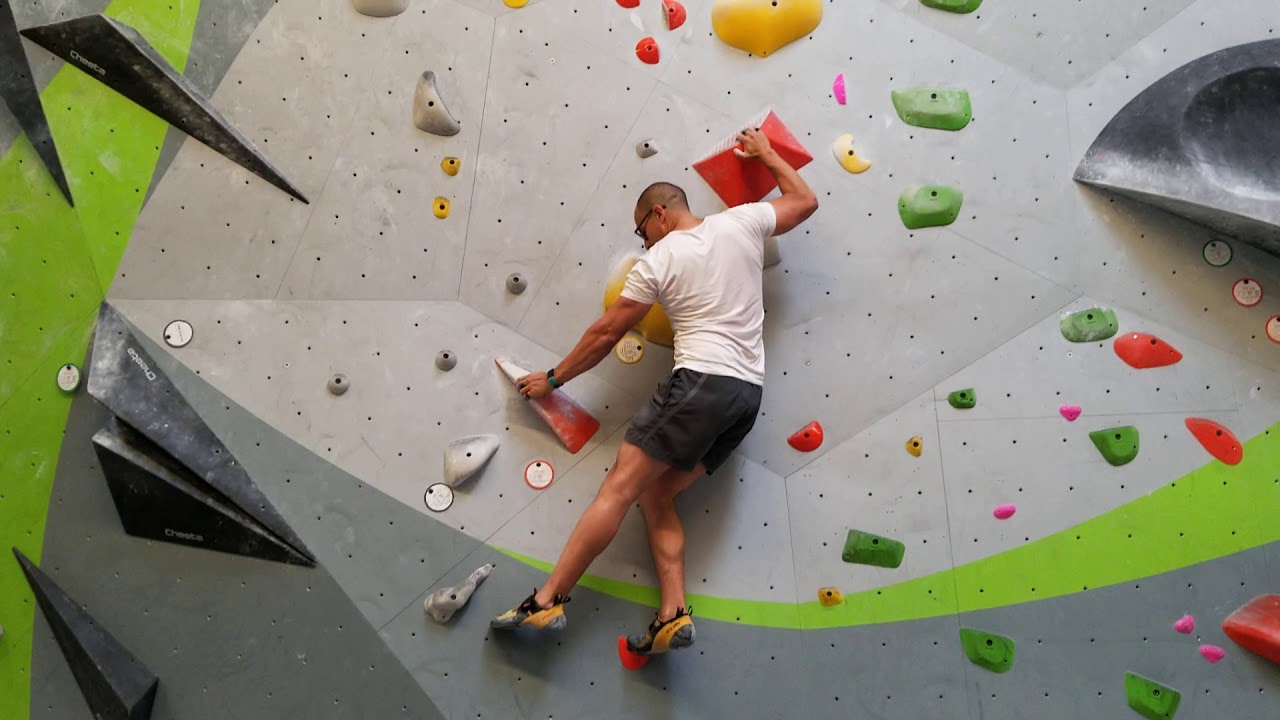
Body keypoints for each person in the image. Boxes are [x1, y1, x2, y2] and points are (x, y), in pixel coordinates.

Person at [491, 128, 818, 655]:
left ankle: (548, 600)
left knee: (618, 487)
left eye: (641, 230)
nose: (642, 242)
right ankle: (672, 615)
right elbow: (805, 200)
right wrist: (766, 154)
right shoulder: (743, 222)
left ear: (659, 214)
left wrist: (552, 379)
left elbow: (606, 332)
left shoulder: (659, 261)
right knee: (655, 493)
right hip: (745, 399)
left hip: (700, 384)